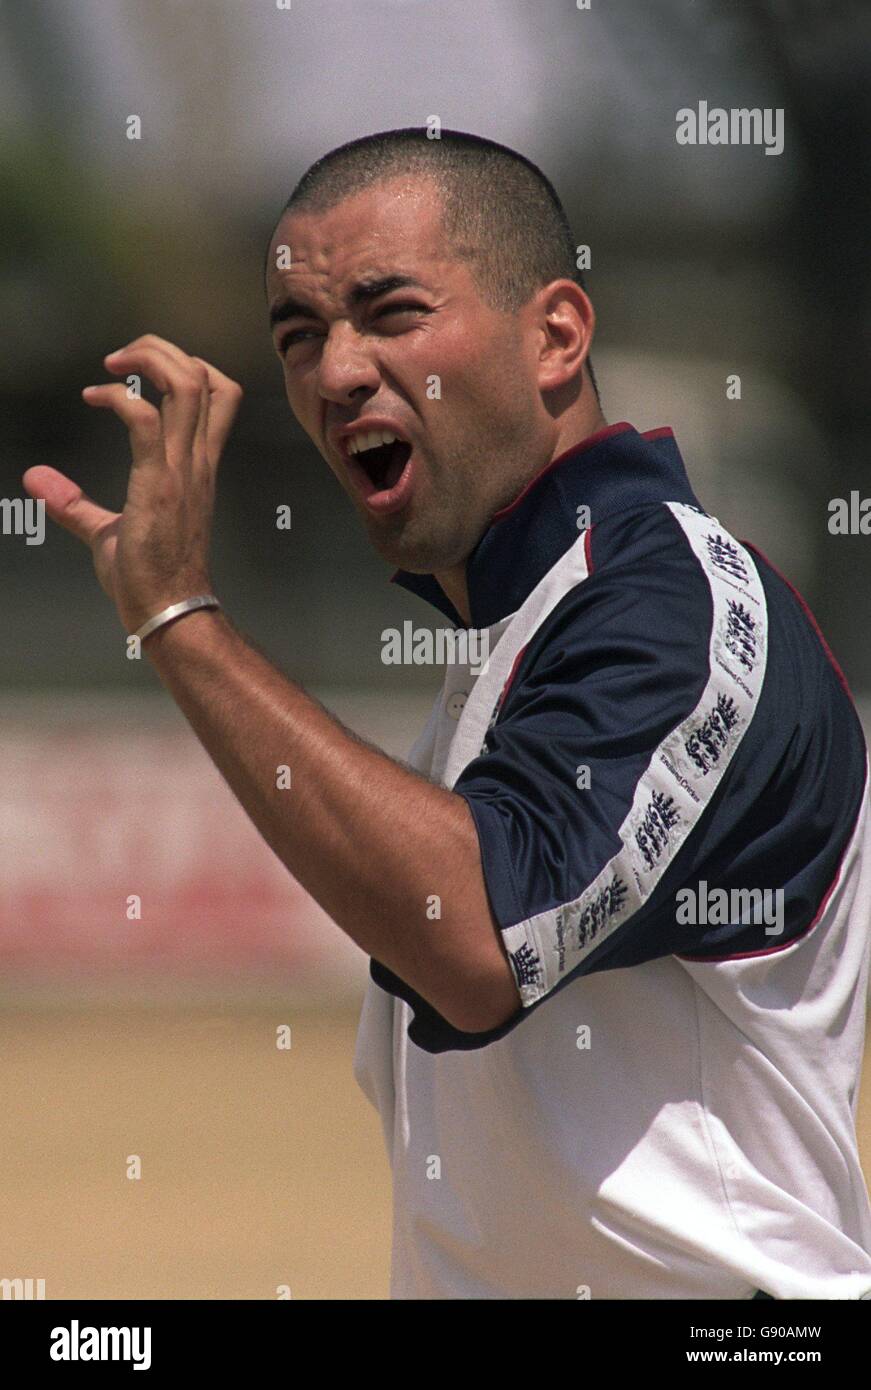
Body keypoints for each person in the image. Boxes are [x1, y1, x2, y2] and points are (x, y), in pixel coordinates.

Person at [23, 129, 871, 1300]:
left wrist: (180, 617)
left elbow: (476, 937)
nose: (336, 371)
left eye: (391, 312)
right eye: (299, 334)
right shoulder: (513, 633)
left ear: (556, 336)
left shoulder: (671, 603)